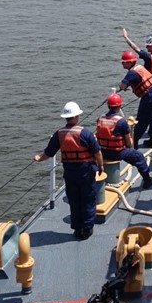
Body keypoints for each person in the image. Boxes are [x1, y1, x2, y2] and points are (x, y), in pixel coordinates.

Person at [33, 101, 104, 240]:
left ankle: (77, 229)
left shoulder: (59, 134)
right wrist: (101, 166)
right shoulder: (86, 133)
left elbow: (48, 153)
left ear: (65, 117)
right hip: (86, 171)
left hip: (70, 173)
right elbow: (97, 153)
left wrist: (37, 158)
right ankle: (87, 228)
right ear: (77, 116)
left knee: (74, 200)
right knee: (88, 199)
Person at [94, 93, 152, 188]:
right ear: (119, 106)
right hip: (117, 153)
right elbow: (128, 142)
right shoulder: (121, 122)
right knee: (139, 157)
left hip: (102, 152)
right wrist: (131, 150)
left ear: (108, 105)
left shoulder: (100, 119)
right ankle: (147, 180)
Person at [119, 50, 152, 148]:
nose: (122, 63)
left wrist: (124, 87)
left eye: (124, 62)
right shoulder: (140, 67)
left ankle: (134, 143)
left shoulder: (131, 73)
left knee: (141, 120)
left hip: (149, 96)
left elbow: (122, 86)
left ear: (131, 62)